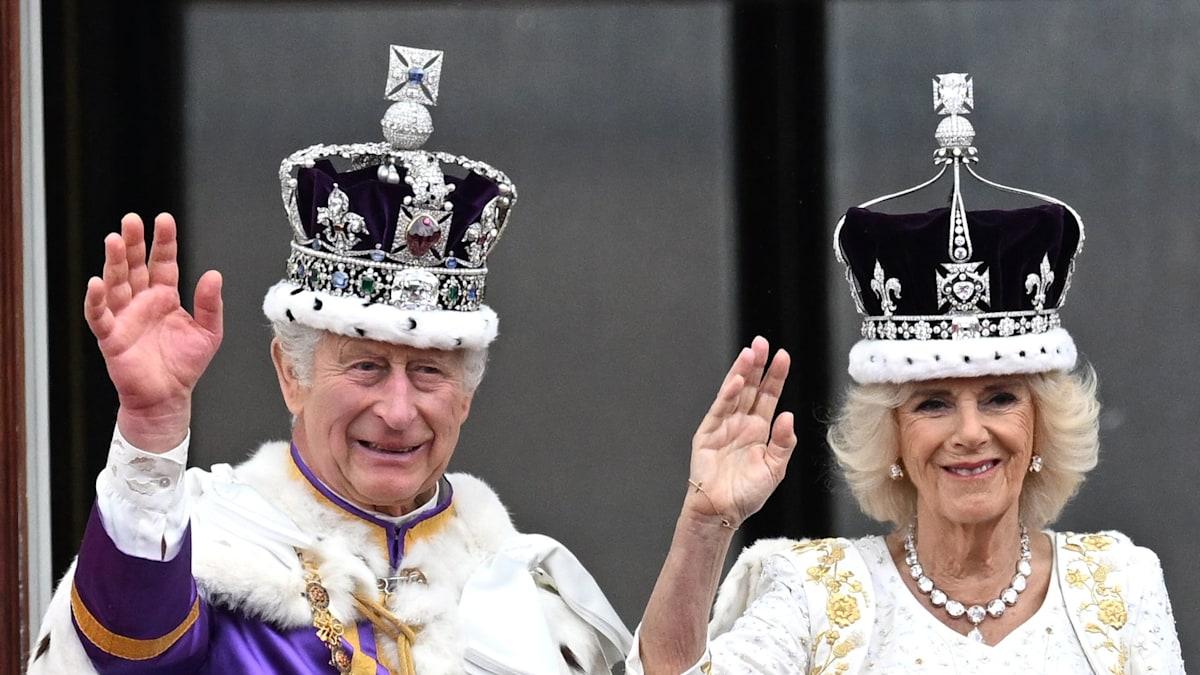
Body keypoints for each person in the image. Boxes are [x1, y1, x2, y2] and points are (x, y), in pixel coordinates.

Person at [29, 45, 631, 674]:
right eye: (366, 366)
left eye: (429, 371)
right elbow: (129, 646)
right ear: (292, 374)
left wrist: (704, 526)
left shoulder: (524, 589)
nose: (398, 412)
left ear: (467, 394)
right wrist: (151, 431)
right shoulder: (213, 549)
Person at [629, 77, 1184, 673]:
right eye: (932, 404)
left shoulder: (1118, 588)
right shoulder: (817, 595)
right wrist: (707, 522)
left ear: (1043, 427)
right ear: (890, 433)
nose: (970, 432)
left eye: (999, 398)